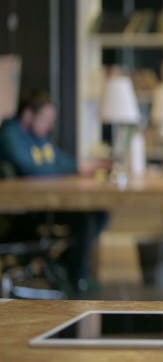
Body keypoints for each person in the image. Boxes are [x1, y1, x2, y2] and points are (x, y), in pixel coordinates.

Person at [0, 89, 108, 294]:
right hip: (21, 213)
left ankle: (66, 268)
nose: (49, 126)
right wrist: (72, 168)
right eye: (45, 119)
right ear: (28, 115)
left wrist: (79, 166)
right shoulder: (10, 135)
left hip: (44, 204)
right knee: (85, 220)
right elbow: (32, 169)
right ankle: (76, 280)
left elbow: (59, 160)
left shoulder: (39, 138)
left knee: (98, 212)